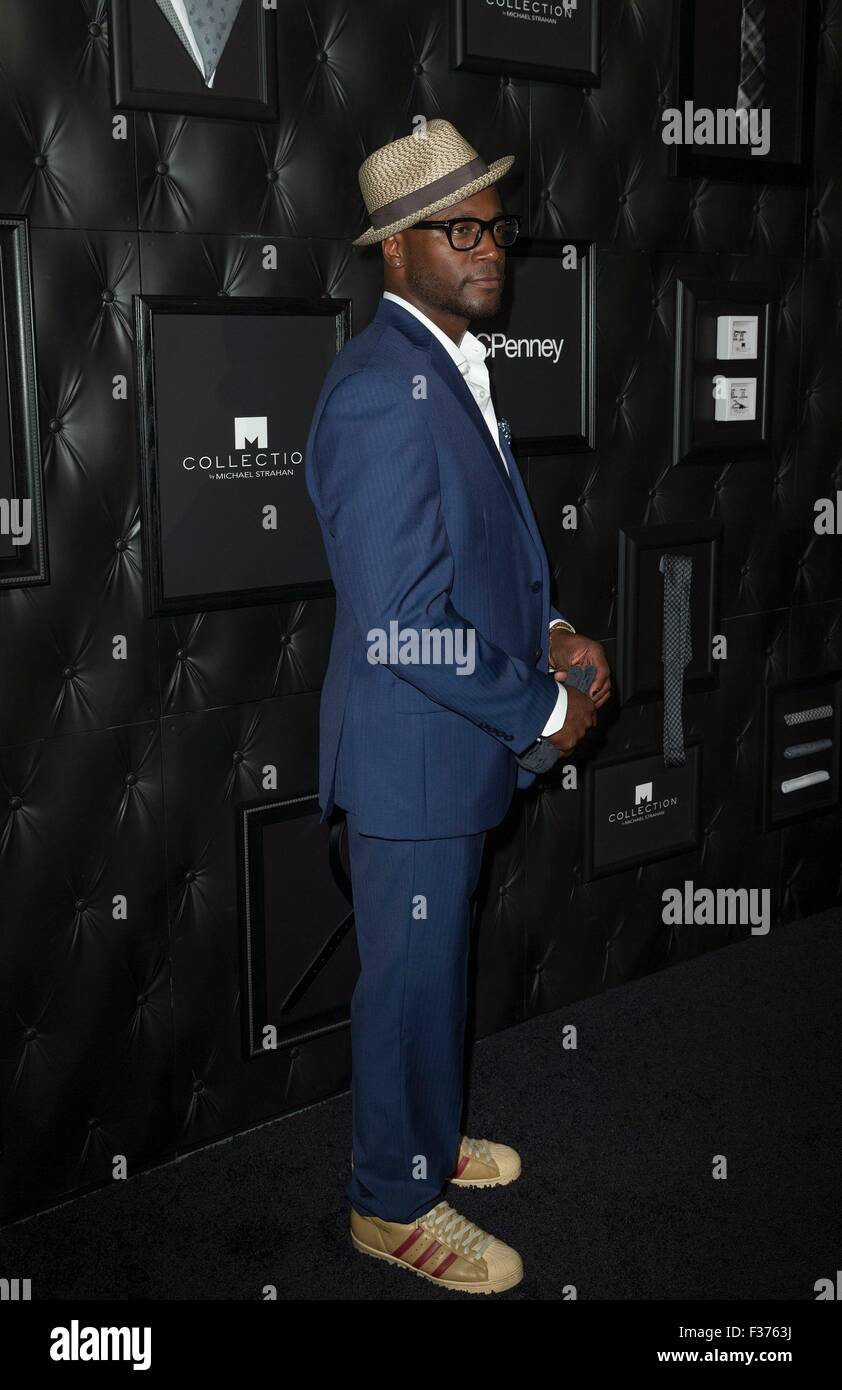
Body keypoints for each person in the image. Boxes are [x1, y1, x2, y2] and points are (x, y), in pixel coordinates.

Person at [304, 118, 611, 1294]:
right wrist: (538, 705)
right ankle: (390, 1203)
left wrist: (543, 632)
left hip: (445, 747)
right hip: (410, 757)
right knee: (407, 985)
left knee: (431, 975)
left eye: (495, 223)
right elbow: (400, 621)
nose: (491, 247)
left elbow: (461, 566)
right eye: (461, 228)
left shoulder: (442, 363)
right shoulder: (383, 388)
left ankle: (423, 1145)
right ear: (395, 250)